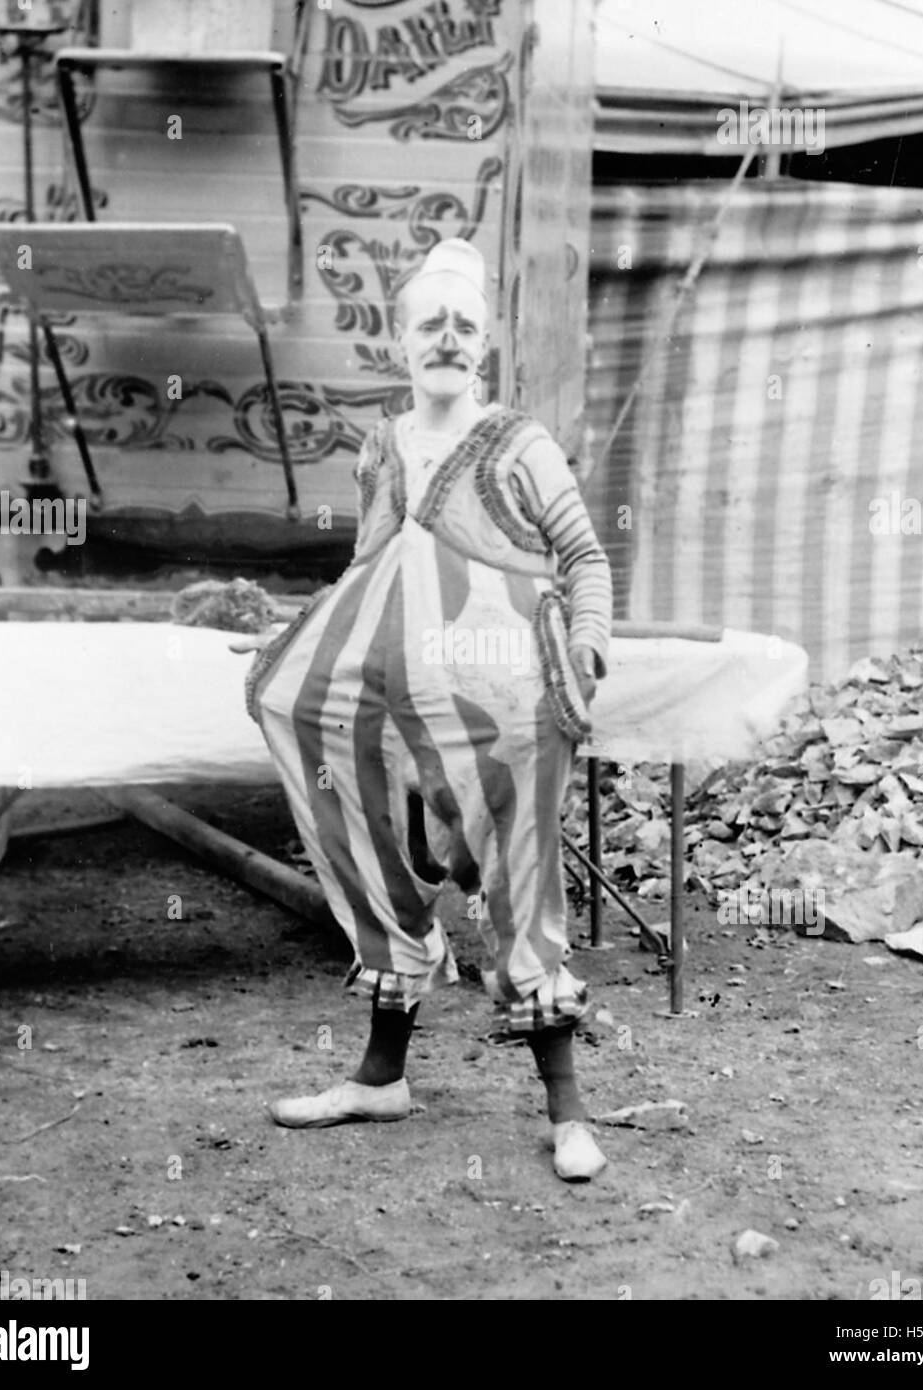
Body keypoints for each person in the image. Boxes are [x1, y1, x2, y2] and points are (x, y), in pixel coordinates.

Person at [246, 238, 613, 1181]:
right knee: (368, 843)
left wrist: (586, 647)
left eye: (464, 325)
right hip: (389, 710)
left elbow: (586, 561)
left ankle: (568, 1111)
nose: (447, 339)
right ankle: (381, 1076)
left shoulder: (520, 445)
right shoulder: (380, 447)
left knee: (518, 883)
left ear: (483, 343)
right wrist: (305, 641)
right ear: (401, 343)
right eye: (429, 324)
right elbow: (369, 569)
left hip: (501, 712)